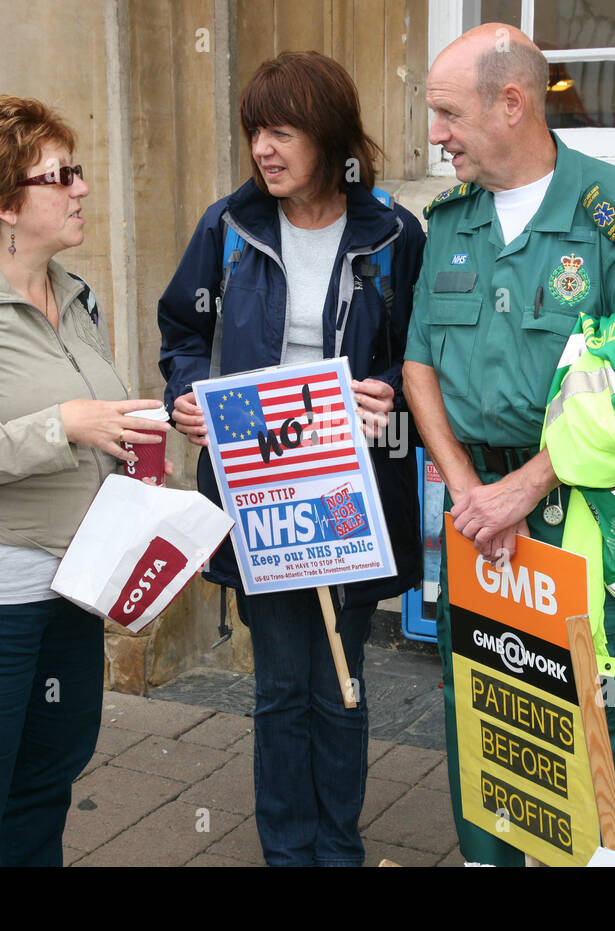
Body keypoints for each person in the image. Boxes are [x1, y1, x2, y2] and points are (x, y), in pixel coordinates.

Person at [402, 24, 615, 865]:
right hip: (479, 522)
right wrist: (469, 490)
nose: (436, 134)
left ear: (513, 103)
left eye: (448, 113)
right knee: (491, 734)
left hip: (586, 521)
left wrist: (521, 491)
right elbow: (419, 365)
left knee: (599, 748)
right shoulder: (451, 219)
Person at [158, 51, 425, 866]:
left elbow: (424, 354)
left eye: (282, 132)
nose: (263, 150)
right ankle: (287, 848)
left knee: (339, 675)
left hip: (351, 489)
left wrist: (389, 392)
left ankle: (336, 846)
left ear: (330, 136)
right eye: (254, 133)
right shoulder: (227, 228)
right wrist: (190, 390)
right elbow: (183, 332)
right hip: (258, 489)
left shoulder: (394, 233)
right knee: (278, 681)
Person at [0, 94, 170, 866]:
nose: (82, 188)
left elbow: (90, 412)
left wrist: (131, 437)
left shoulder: (76, 296)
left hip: (69, 590)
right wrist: (66, 426)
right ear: (3, 203)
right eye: (62, 176)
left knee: (43, 793)